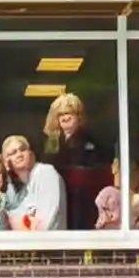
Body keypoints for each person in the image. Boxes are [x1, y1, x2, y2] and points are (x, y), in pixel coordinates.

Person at [43, 93, 109, 230]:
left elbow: (94, 172)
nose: (65, 118)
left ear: (79, 117)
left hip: (82, 200)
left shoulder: (90, 140)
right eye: (60, 115)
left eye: (69, 114)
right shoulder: (52, 141)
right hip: (56, 195)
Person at [2, 135, 67, 230]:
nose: (19, 154)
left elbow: (45, 224)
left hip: (49, 242)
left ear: (31, 153)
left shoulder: (45, 172)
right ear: (6, 162)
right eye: (12, 153)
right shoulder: (18, 185)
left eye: (23, 149)